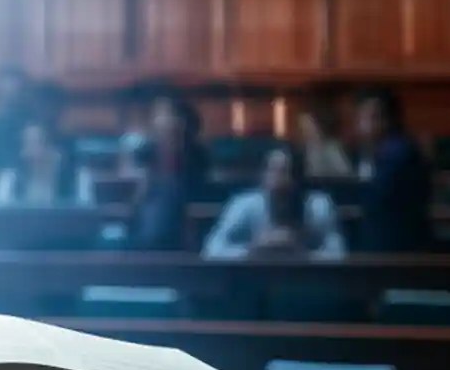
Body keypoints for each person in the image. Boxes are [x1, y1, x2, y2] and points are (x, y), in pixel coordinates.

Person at [203, 147, 345, 260]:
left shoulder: (318, 206)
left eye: (286, 172)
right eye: (273, 170)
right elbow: (211, 250)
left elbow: (338, 254)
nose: (278, 178)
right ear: (263, 175)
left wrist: (302, 254)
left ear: (299, 179)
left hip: (304, 282)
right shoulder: (244, 205)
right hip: (254, 280)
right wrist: (253, 250)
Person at [353, 87, 431, 252]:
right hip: (387, 240)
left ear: (385, 120)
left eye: (367, 117)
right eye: (360, 117)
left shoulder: (398, 153)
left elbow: (376, 198)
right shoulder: (377, 150)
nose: (361, 124)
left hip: (396, 244)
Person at [126, 90, 204, 250]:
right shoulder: (142, 152)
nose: (167, 121)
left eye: (172, 115)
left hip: (185, 211)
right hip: (145, 216)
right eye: (161, 115)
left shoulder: (198, 154)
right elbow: (133, 192)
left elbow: (201, 188)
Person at [0, 124, 94, 208]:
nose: (30, 152)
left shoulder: (79, 178)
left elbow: (83, 216)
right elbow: (3, 219)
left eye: (37, 143)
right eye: (27, 144)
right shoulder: (10, 179)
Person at [297, 99, 353, 178]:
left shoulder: (332, 148)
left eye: (309, 126)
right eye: (302, 128)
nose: (305, 131)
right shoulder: (301, 150)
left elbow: (345, 174)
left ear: (318, 126)